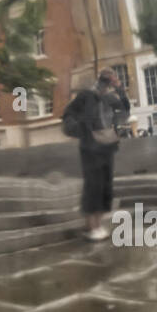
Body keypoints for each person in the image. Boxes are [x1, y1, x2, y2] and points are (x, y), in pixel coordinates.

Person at [63, 68, 129, 240]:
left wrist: (121, 90)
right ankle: (92, 227)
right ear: (102, 80)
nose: (112, 82)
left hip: (107, 145)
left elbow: (125, 111)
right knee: (93, 185)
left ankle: (96, 225)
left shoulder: (110, 98)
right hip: (90, 147)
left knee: (105, 185)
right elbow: (68, 115)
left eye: (114, 79)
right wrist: (84, 131)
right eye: (110, 79)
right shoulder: (86, 96)